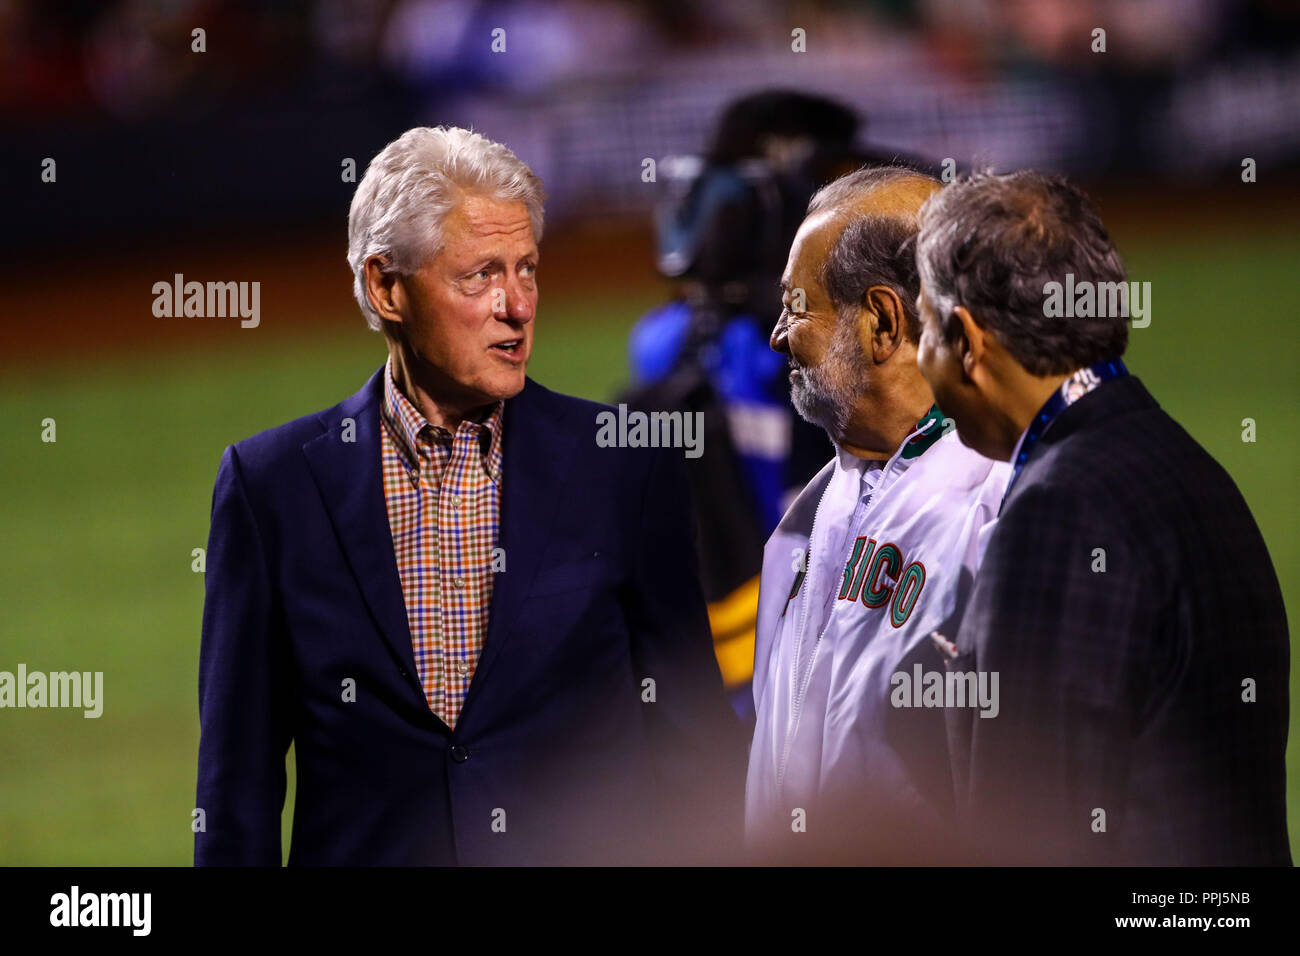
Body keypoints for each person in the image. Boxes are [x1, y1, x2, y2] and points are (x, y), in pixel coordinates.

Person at [194, 126, 744, 866]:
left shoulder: (626, 465)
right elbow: (237, 794)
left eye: (527, 269)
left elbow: (695, 743)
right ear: (386, 288)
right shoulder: (273, 490)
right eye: (480, 275)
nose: (517, 307)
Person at [914, 169, 1291, 865]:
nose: (918, 360)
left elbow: (1034, 831)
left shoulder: (1058, 511)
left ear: (967, 339)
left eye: (922, 328)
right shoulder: (1190, 468)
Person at [745, 166, 1011, 863]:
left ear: (884, 323)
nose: (777, 336)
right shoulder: (812, 508)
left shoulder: (997, 505)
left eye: (796, 306)